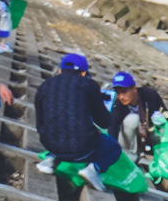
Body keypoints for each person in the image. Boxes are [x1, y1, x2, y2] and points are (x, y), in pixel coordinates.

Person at [32, 53, 119, 190]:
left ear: (60, 71)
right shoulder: (90, 85)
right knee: (114, 147)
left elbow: (40, 123)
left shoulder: (45, 85)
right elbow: (104, 122)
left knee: (59, 128)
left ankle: (50, 159)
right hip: (82, 150)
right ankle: (93, 170)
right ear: (84, 73)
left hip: (50, 143)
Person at [109, 71, 166, 160]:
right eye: (118, 93)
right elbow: (113, 127)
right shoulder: (118, 105)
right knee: (132, 119)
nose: (121, 97)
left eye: (124, 92)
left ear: (134, 89)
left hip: (151, 138)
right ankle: (129, 157)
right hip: (128, 143)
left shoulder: (150, 95)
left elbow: (166, 115)